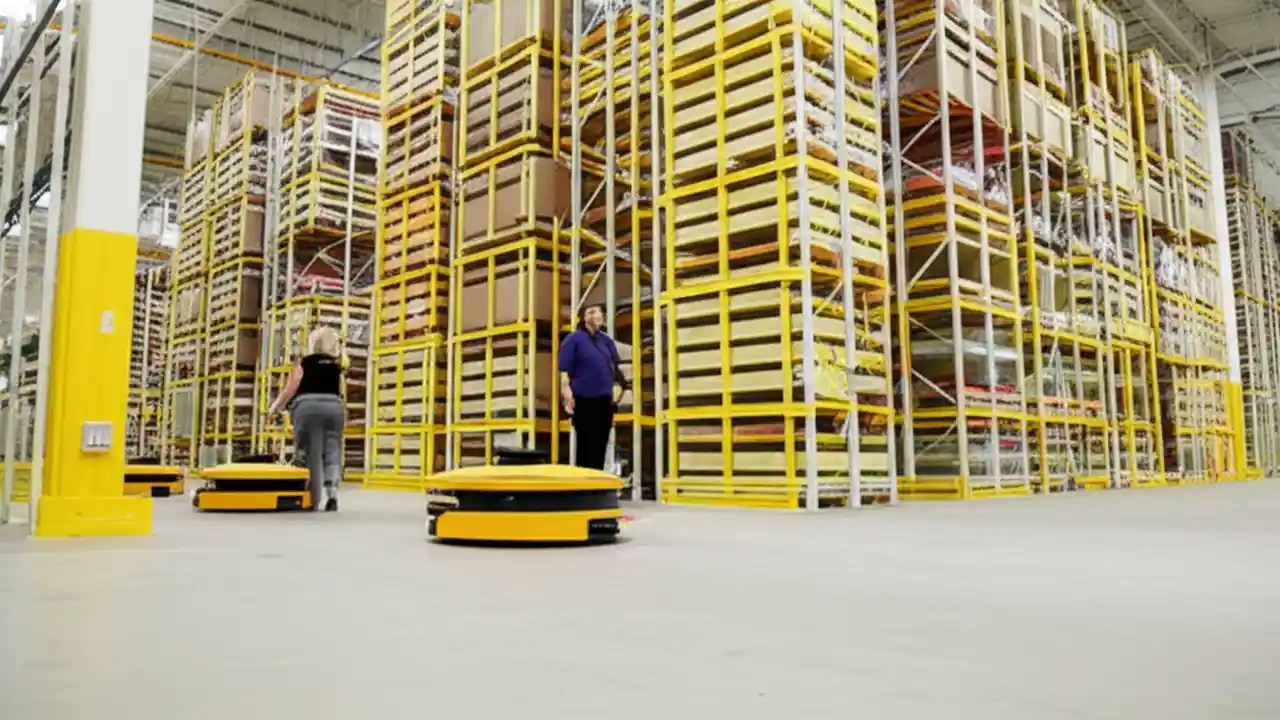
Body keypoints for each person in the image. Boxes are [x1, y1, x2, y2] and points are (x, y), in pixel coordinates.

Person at [267, 326, 346, 512]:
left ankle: (305, 489)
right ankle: (332, 493)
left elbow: (291, 388)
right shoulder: (336, 367)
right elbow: (341, 393)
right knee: (332, 448)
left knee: (303, 447)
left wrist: (274, 408)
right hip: (334, 407)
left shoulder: (303, 364)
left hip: (306, 407)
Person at [558, 303, 627, 471]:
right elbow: (564, 373)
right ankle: (584, 483)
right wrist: (567, 395)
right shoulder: (573, 339)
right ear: (584, 317)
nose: (598, 315)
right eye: (592, 312)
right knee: (586, 443)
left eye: (600, 312)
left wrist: (618, 392)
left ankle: (597, 480)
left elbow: (616, 368)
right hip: (584, 399)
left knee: (601, 443)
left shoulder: (606, 341)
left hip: (605, 399)